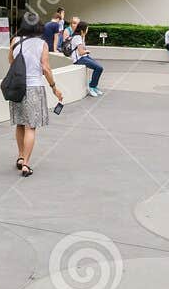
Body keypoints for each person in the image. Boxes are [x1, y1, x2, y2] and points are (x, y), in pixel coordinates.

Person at [8, 17, 64, 176]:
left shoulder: (15, 41)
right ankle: (26, 164)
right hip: (34, 88)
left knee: (20, 123)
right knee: (30, 127)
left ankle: (20, 157)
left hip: (17, 86)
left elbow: (11, 61)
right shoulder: (42, 44)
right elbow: (46, 68)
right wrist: (54, 87)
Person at [68, 25, 103, 96]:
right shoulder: (77, 38)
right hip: (79, 59)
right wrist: (87, 51)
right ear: (82, 30)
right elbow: (81, 52)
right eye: (86, 29)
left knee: (99, 68)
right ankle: (92, 86)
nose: (87, 31)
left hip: (84, 57)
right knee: (99, 68)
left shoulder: (80, 37)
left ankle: (94, 85)